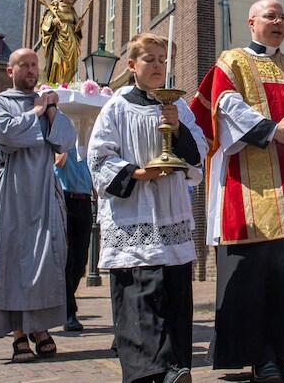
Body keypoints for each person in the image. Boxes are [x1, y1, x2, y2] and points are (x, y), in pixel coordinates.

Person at [191, 0, 284, 382]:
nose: (278, 22)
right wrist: (273, 131)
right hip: (251, 193)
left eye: (283, 17)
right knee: (257, 278)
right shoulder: (233, 61)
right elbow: (225, 108)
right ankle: (260, 355)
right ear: (252, 22)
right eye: (270, 16)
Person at [89, 33, 206, 383]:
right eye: (149, 59)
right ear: (131, 66)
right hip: (133, 211)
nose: (157, 65)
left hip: (170, 208)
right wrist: (139, 173)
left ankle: (176, 368)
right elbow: (98, 158)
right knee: (141, 293)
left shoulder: (178, 106)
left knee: (173, 291)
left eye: (161, 60)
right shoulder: (118, 105)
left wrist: (178, 126)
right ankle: (147, 372)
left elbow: (198, 152)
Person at [0, 48, 77, 361]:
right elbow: (6, 134)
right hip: (12, 191)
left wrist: (51, 112)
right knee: (12, 259)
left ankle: (42, 329)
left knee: (46, 260)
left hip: (44, 189)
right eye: (23, 65)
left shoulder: (46, 103)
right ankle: (19, 335)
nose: (30, 70)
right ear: (10, 71)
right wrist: (36, 113)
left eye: (34, 65)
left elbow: (65, 141)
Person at [54, 146, 92, 333]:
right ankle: (69, 313)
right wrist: (67, 144)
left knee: (80, 262)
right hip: (63, 200)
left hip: (84, 201)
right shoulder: (59, 141)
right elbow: (58, 162)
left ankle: (64, 302)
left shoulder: (87, 142)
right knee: (67, 260)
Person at [34, 0, 84, 84]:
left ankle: (67, 84)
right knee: (56, 62)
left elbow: (76, 29)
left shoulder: (72, 11)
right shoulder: (54, 8)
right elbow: (46, 23)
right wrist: (52, 22)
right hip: (58, 39)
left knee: (71, 66)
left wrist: (78, 27)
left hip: (70, 40)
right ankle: (54, 84)